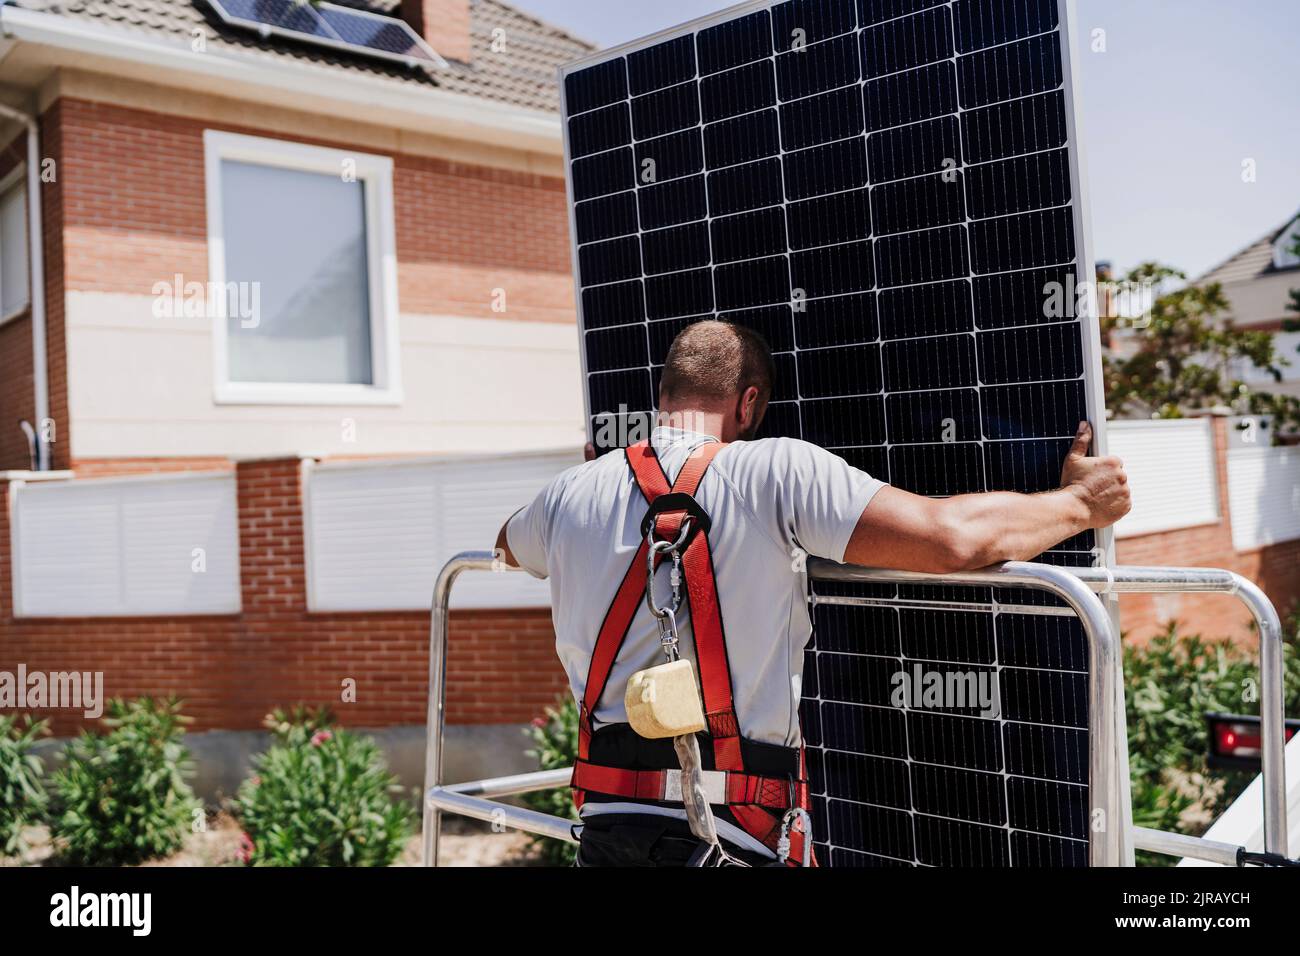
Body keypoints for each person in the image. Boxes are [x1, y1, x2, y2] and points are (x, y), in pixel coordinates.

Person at [496, 320, 1130, 867]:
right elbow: (950, 539)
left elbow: (505, 545)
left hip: (605, 834)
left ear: (662, 397)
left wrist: (593, 490)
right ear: (747, 405)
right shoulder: (776, 470)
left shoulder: (567, 493)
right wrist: (1078, 503)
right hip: (726, 838)